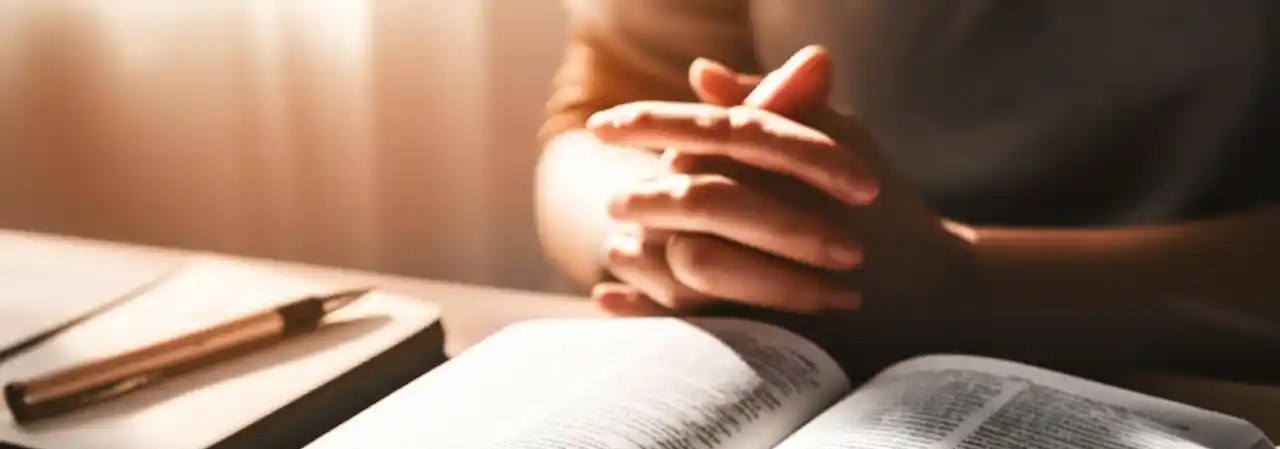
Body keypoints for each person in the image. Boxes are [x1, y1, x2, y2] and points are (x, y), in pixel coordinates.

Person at [533, 1, 1280, 352]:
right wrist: (662, 224)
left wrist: (965, 286)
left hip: (1213, 400)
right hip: (826, 393)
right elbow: (596, 121)